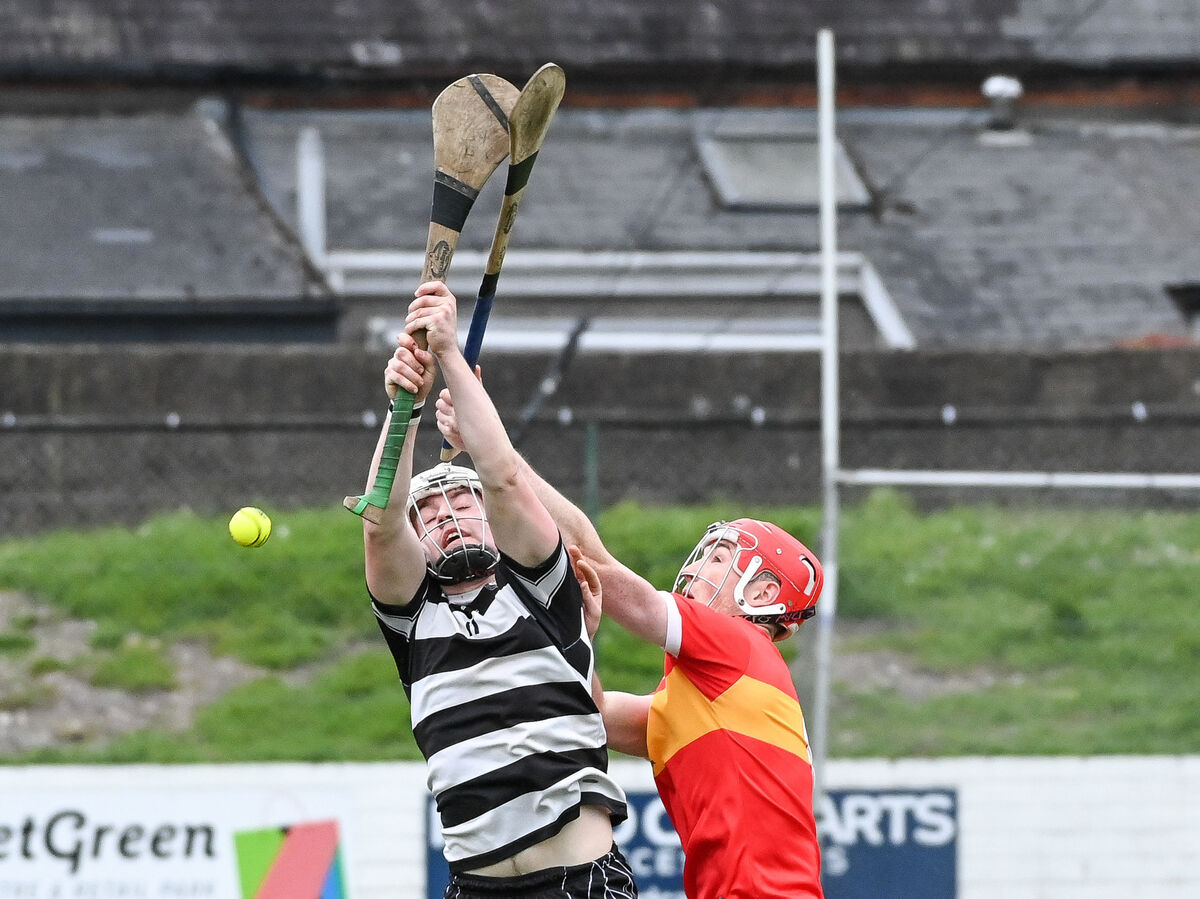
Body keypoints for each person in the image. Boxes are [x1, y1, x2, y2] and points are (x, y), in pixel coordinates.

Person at [435, 363, 826, 899]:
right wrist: (580, 639)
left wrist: (494, 454)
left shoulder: (742, 649)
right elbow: (588, 713)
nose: (696, 567)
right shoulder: (699, 699)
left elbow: (596, 564)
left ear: (760, 595)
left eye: (722, 558)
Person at [360, 280, 637, 899]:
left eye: (460, 498)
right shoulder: (415, 623)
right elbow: (380, 523)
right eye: (427, 512)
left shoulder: (543, 588)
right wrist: (404, 402)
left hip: (578, 882)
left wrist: (451, 357)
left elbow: (506, 479)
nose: (446, 514)